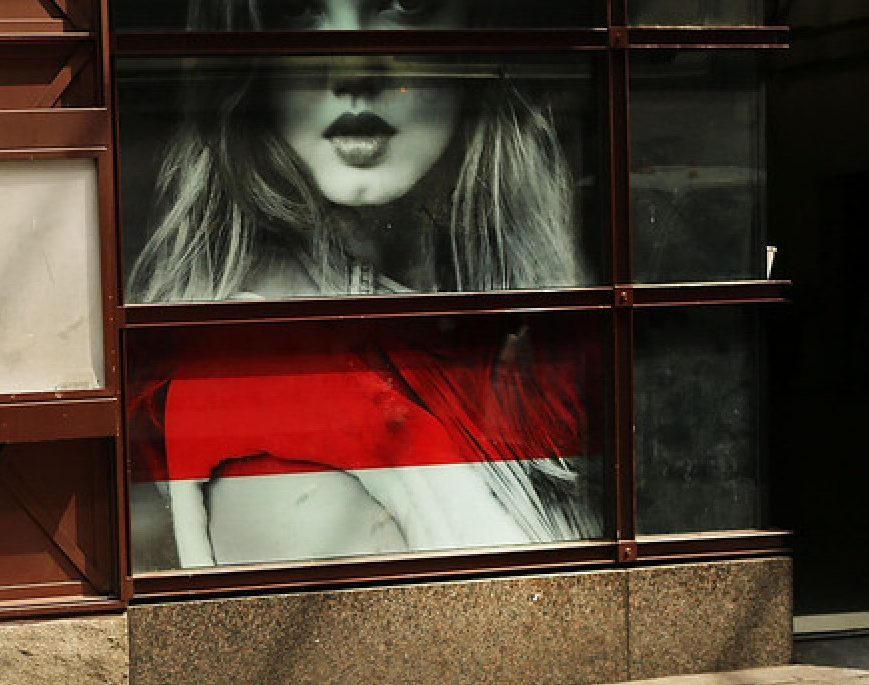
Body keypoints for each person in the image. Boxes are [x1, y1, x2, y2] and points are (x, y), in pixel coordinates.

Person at [126, 0, 602, 569]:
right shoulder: (265, 411)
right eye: (298, 10)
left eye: (405, 5)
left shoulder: (506, 322)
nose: (351, 70)